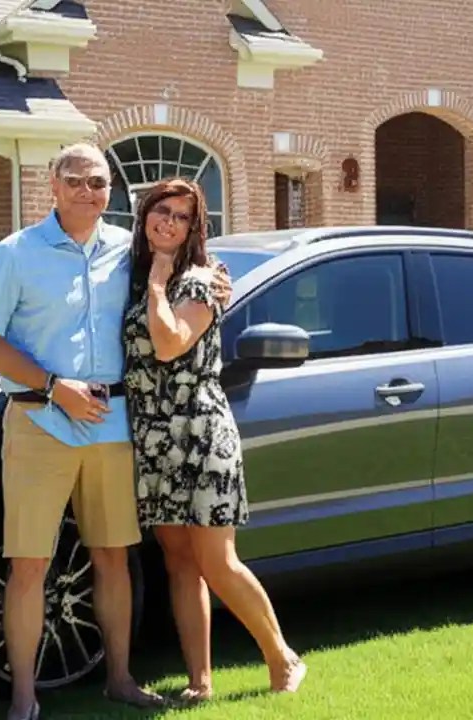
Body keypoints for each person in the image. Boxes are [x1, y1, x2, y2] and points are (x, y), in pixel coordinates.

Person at [0, 144, 228, 720]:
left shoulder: (127, 252)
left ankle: (120, 679)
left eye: (100, 183)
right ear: (52, 187)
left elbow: (176, 274)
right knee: (30, 563)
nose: (89, 192)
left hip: (113, 426)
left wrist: (211, 279)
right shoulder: (15, 254)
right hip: (39, 420)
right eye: (77, 181)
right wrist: (56, 387)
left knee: (113, 557)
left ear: (112, 191)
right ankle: (25, 697)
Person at [121, 177, 306, 704]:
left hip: (200, 432)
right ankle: (200, 681)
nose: (169, 222)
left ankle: (282, 657)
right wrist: (150, 279)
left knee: (216, 560)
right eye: (162, 210)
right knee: (178, 560)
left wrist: (159, 283)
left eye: (181, 216)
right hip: (155, 434)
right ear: (145, 214)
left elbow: (168, 343)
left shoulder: (199, 281)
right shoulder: (136, 276)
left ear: (193, 228)